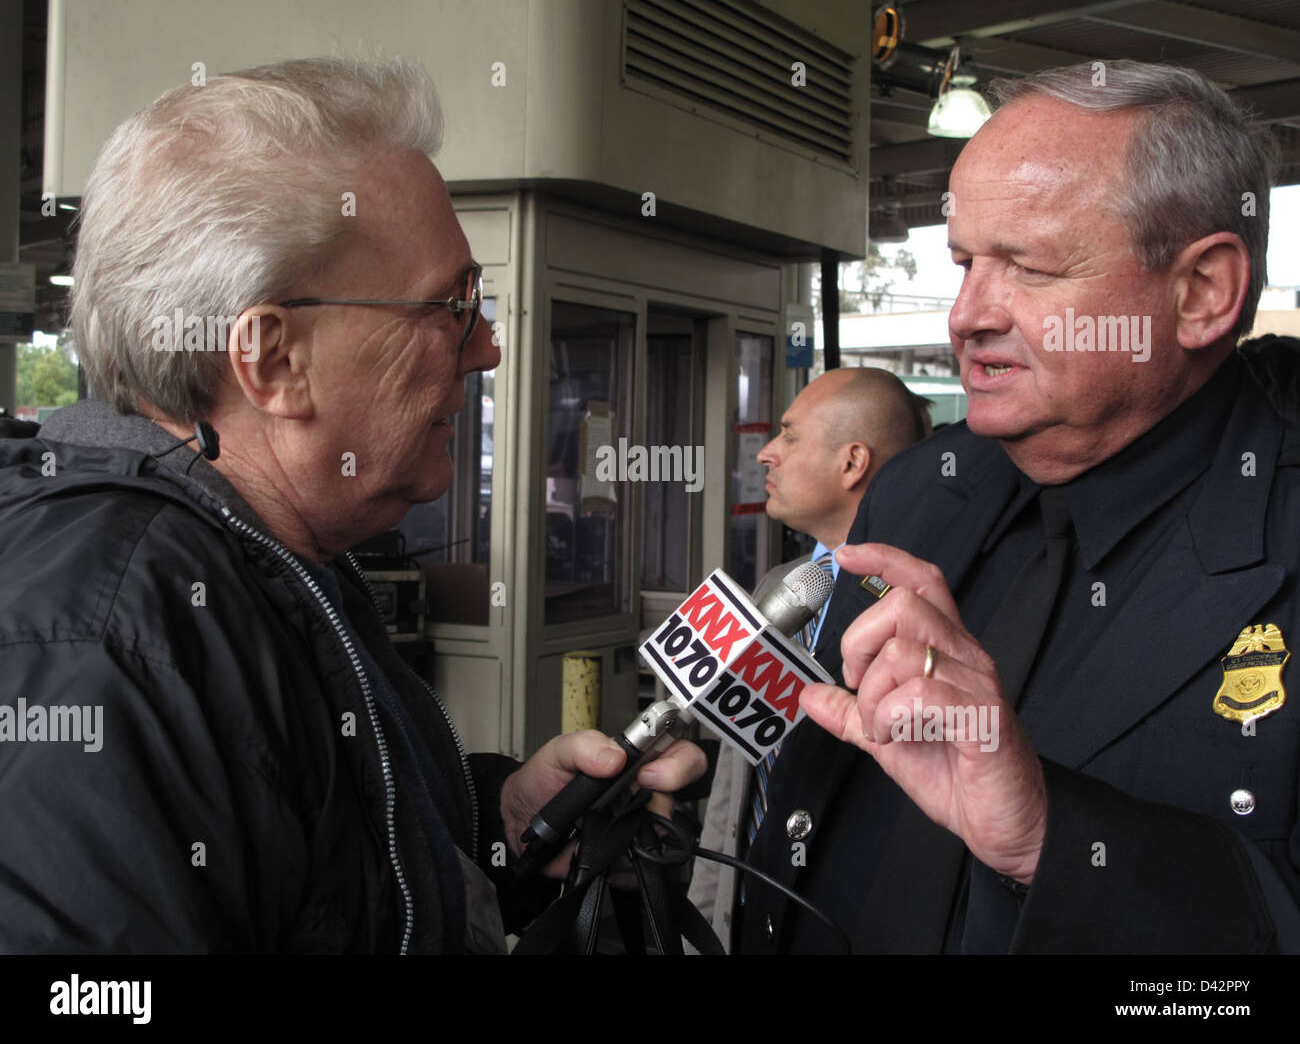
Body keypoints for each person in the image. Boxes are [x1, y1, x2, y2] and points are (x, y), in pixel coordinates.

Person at [0, 57, 702, 954]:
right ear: (274, 362)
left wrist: (501, 824)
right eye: (451, 307)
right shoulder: (101, 643)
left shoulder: (269, 565)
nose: (485, 348)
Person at [742, 59, 1300, 953]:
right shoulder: (918, 491)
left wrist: (1055, 841)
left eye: (1027, 267)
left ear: (1200, 292)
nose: (965, 315)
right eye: (964, 261)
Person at [688, 367, 925, 950]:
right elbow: (735, 783)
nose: (766, 453)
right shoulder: (781, 584)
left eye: (790, 436)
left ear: (852, 462)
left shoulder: (918, 606)